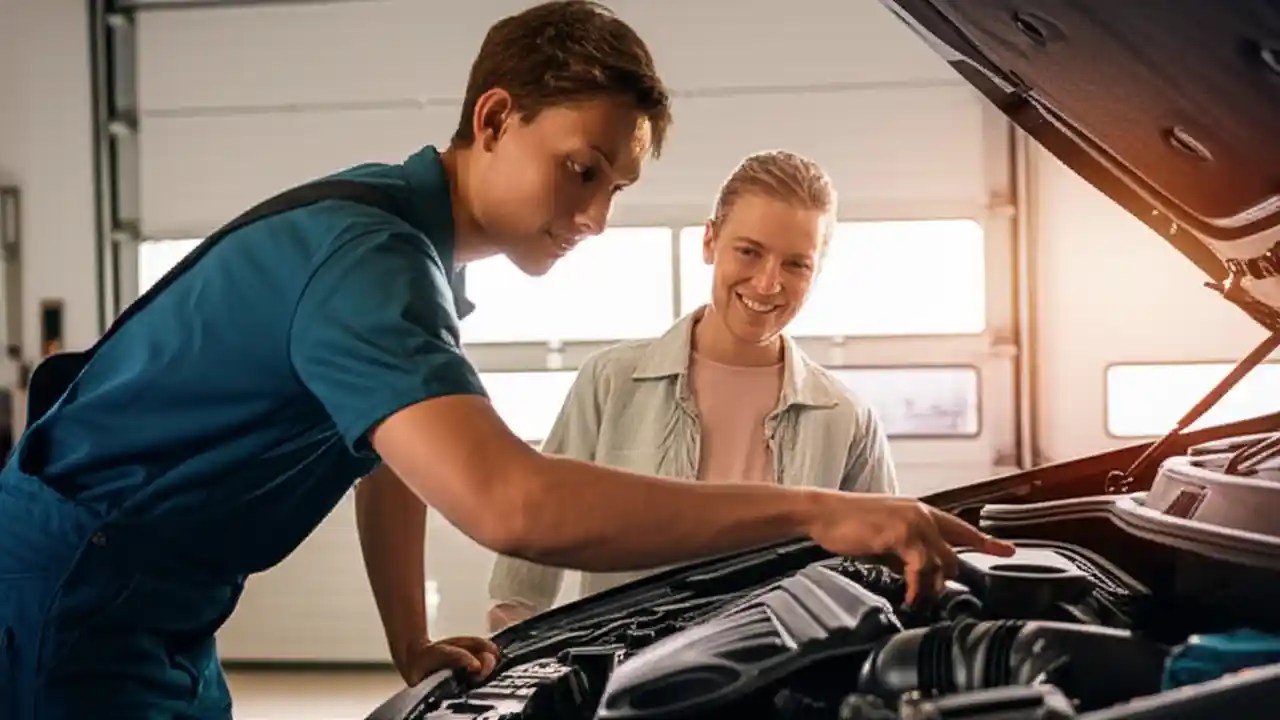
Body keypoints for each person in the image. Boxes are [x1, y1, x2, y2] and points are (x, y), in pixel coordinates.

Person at [0, 2, 1012, 718]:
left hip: (163, 606)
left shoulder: (413, 258)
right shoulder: (371, 259)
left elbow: (387, 459)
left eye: (615, 186)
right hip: (77, 597)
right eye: (581, 169)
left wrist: (408, 637)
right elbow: (512, 505)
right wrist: (815, 510)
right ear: (493, 118)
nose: (595, 216)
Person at [488, 150, 899, 630]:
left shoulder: (846, 417)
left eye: (796, 264)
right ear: (710, 242)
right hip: (624, 681)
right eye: (749, 251)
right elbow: (538, 537)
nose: (768, 282)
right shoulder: (611, 381)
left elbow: (881, 574)